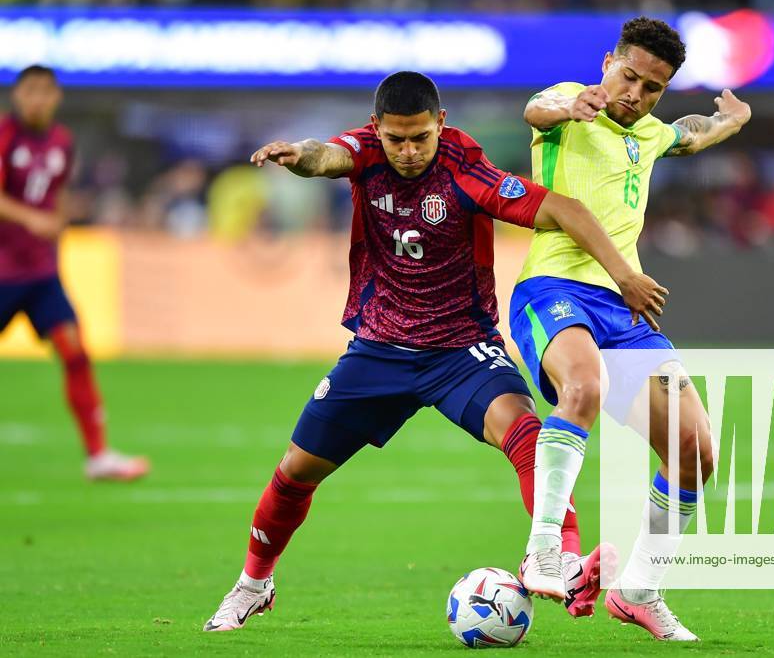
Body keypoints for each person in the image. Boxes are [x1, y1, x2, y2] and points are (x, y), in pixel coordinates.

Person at [203, 71, 667, 631]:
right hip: (378, 350)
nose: (406, 151)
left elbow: (564, 210)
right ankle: (253, 584)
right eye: (395, 138)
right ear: (378, 129)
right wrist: (297, 154)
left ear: (440, 124)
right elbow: (325, 156)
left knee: (527, 434)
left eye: (419, 137)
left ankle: (559, 557)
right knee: (295, 471)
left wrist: (622, 275)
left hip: (462, 352)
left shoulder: (466, 170)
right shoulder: (364, 152)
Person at [511, 16, 751, 640]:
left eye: (652, 88)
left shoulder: (649, 130)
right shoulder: (567, 105)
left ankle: (641, 587)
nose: (634, 95)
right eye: (628, 77)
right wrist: (575, 103)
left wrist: (729, 122)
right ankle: (543, 550)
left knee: (696, 451)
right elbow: (538, 109)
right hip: (555, 290)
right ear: (606, 61)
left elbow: (686, 137)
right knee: (582, 389)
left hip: (627, 311)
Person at [0, 65, 148, 481]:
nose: (38, 100)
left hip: (42, 275)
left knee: (76, 353)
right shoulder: (5, 137)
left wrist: (60, 220)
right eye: (30, 92)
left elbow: (58, 194)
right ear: (17, 96)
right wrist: (32, 219)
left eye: (45, 92)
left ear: (56, 97)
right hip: (3, 271)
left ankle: (98, 455)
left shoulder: (61, 142)